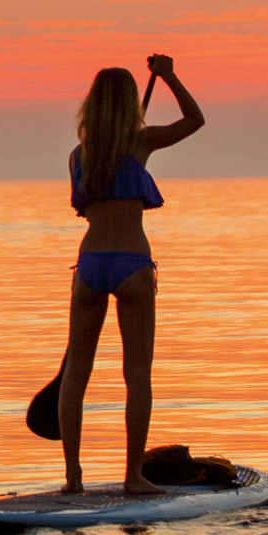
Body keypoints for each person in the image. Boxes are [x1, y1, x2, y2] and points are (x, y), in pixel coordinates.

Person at [58, 53, 204, 494]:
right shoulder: (141, 144)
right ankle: (133, 477)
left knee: (75, 375)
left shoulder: (78, 156)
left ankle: (73, 480)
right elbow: (194, 120)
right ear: (129, 107)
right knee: (137, 373)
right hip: (132, 265)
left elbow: (85, 209)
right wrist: (170, 76)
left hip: (89, 267)